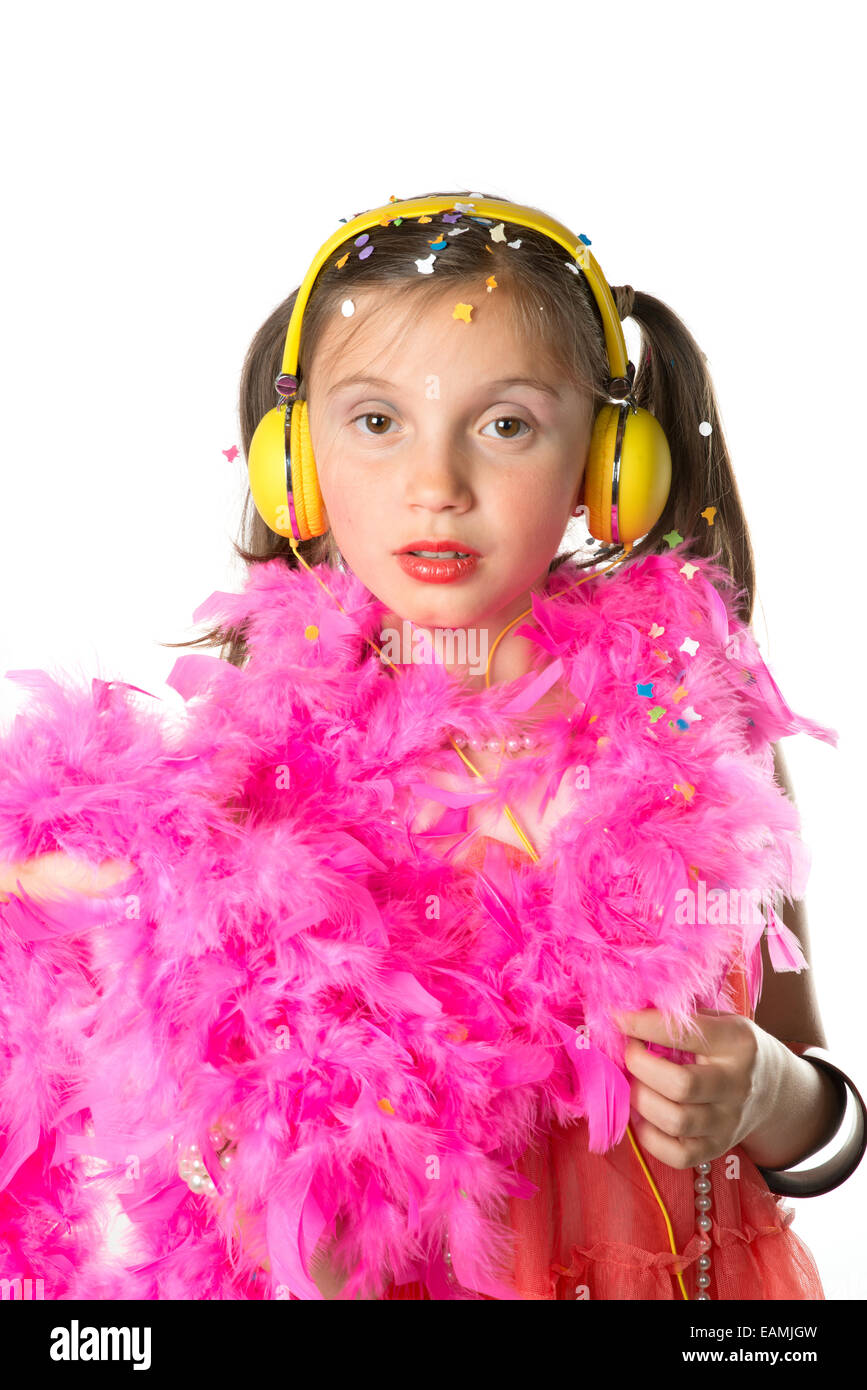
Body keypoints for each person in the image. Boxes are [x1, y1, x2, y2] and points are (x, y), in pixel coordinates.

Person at [0, 190, 862, 1302]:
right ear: (295, 467)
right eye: (376, 421)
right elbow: (235, 1196)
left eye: (506, 424)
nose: (436, 485)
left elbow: (820, 1090)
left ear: (607, 463)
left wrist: (775, 1096)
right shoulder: (247, 798)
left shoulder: (702, 725)